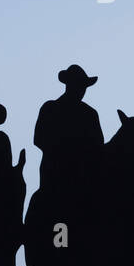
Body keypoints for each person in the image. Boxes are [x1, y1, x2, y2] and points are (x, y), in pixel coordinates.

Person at [33, 64, 104, 193]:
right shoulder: (50, 108)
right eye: (78, 85)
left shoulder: (90, 114)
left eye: (83, 86)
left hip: (81, 175)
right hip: (54, 172)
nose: (81, 90)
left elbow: (98, 145)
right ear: (69, 85)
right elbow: (39, 139)